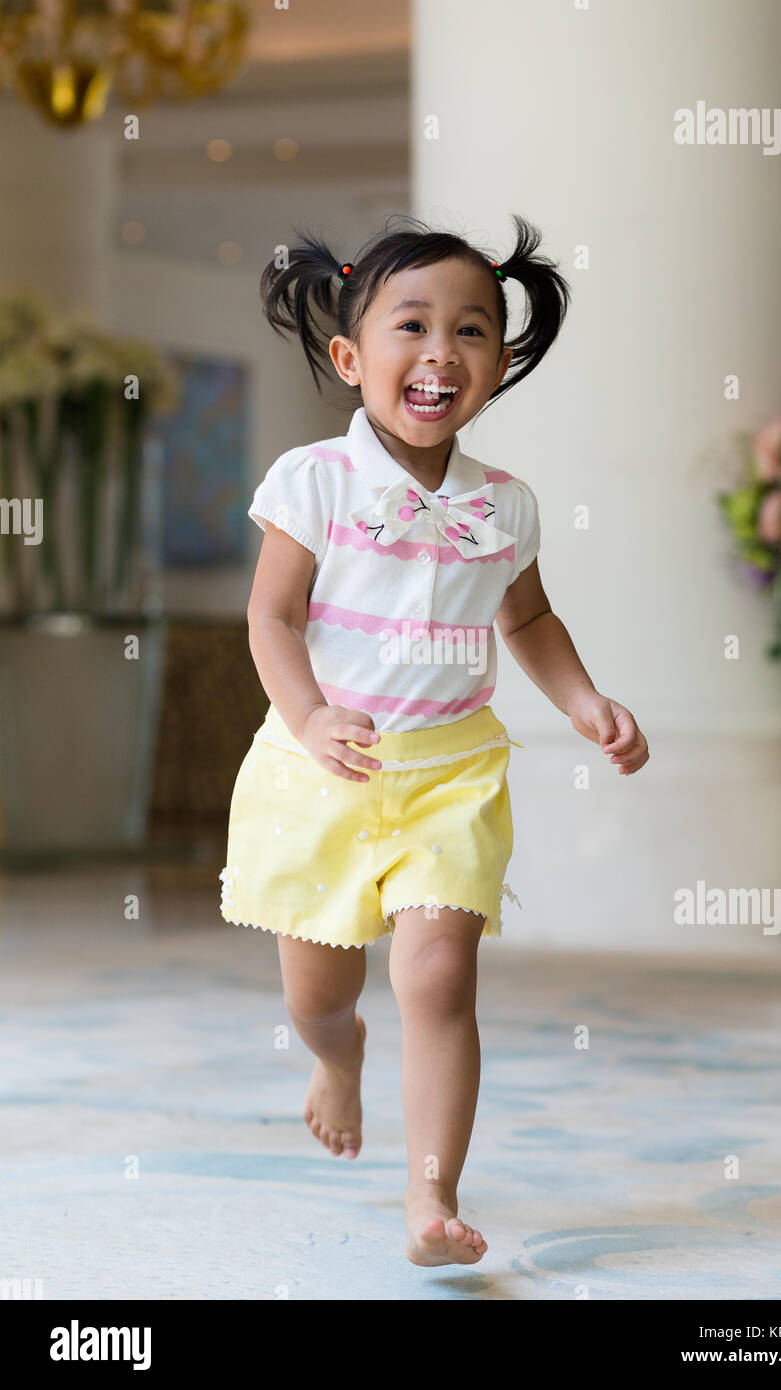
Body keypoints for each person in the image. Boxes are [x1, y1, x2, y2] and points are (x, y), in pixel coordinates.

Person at [219, 213, 649, 1266]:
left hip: (447, 774)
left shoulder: (505, 506)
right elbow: (270, 618)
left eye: (469, 331)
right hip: (321, 771)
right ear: (350, 357)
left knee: (436, 973)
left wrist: (582, 700)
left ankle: (431, 1199)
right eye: (410, 326)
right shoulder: (312, 482)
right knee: (318, 994)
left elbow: (528, 622)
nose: (438, 351)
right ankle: (336, 1057)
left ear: (496, 365)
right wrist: (312, 714)